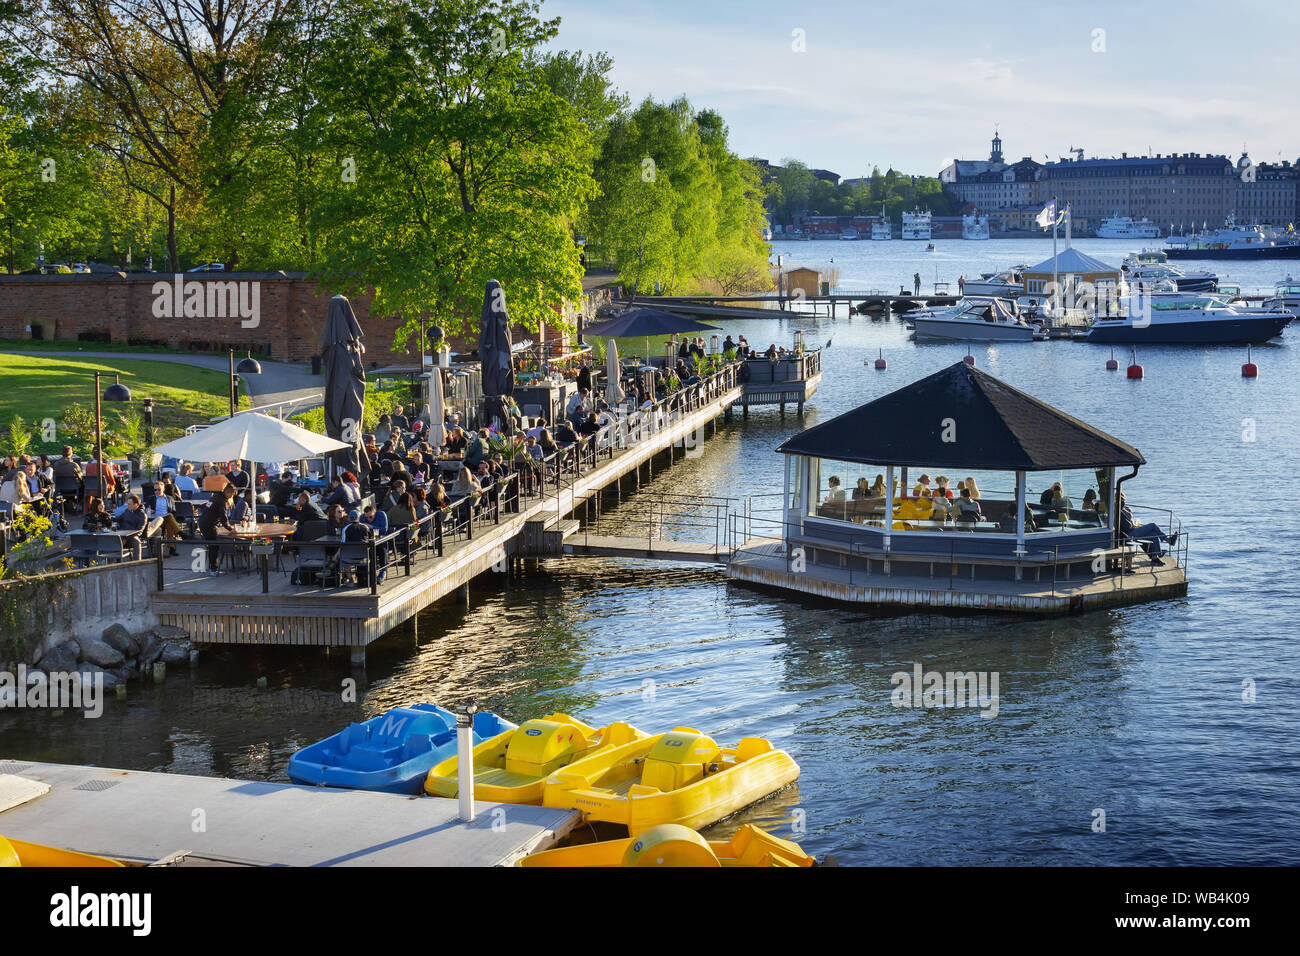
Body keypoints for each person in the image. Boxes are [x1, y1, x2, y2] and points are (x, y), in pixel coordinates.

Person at [1117, 493, 1177, 566]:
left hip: (1133, 530)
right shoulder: (1118, 508)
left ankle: (1155, 558)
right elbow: (1122, 511)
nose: (1123, 501)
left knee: (1153, 534)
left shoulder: (1122, 508)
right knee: (1153, 525)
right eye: (1122, 500)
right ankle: (1169, 540)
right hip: (1129, 534)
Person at [197, 487, 234, 574]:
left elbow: (207, 508)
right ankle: (213, 569)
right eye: (232, 495)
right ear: (228, 493)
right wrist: (230, 528)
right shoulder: (222, 501)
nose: (231, 497)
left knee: (211, 546)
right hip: (210, 525)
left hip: (203, 522)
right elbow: (223, 517)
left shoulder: (215, 497)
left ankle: (212, 568)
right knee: (214, 547)